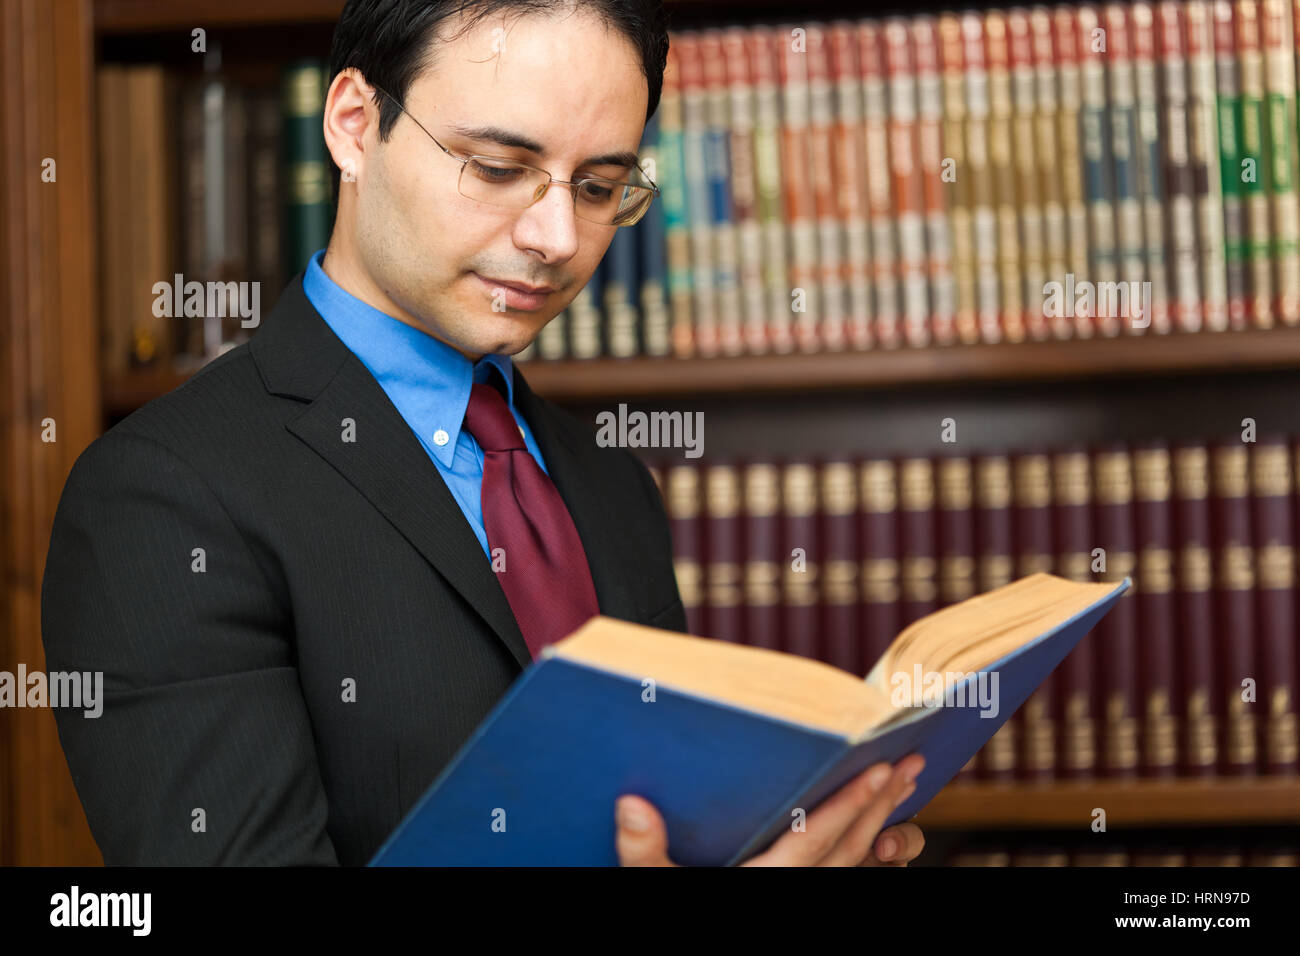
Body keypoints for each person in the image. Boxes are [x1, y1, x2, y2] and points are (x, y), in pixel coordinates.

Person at [41, 0, 924, 866]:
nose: (555, 238)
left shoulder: (611, 483)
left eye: (598, 188)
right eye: (499, 167)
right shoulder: (161, 500)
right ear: (354, 124)